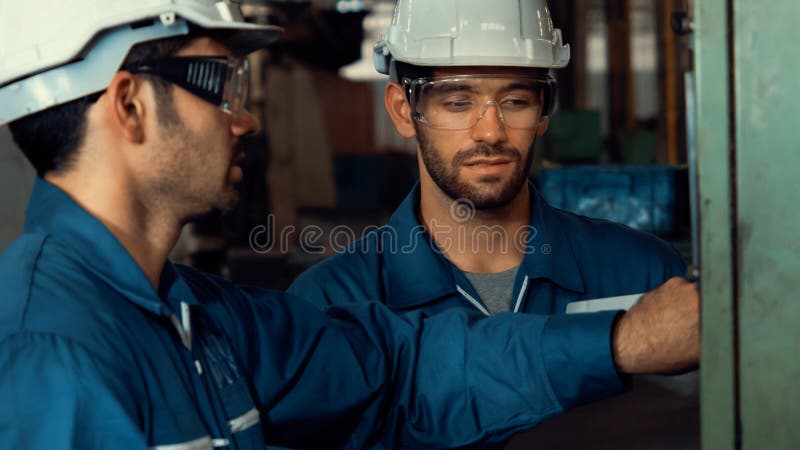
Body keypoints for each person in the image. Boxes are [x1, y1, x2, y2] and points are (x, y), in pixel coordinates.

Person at [0, 1, 699, 449]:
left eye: (515, 98)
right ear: (129, 105)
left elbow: (399, 368)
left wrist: (619, 340)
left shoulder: (208, 319)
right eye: (219, 82)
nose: (242, 118)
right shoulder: (50, 351)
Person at [289, 0, 685, 327]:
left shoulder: (645, 277)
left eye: (516, 101)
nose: (491, 132)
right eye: (459, 102)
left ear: (544, 110)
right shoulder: (331, 305)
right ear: (403, 111)